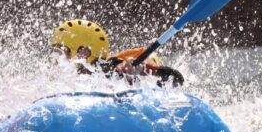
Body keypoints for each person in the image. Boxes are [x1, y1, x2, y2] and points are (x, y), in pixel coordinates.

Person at [50, 19, 184, 87]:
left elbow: (176, 77)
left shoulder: (109, 68)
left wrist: (134, 71)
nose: (55, 58)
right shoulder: (64, 77)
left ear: (84, 52)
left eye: (63, 51)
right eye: (55, 51)